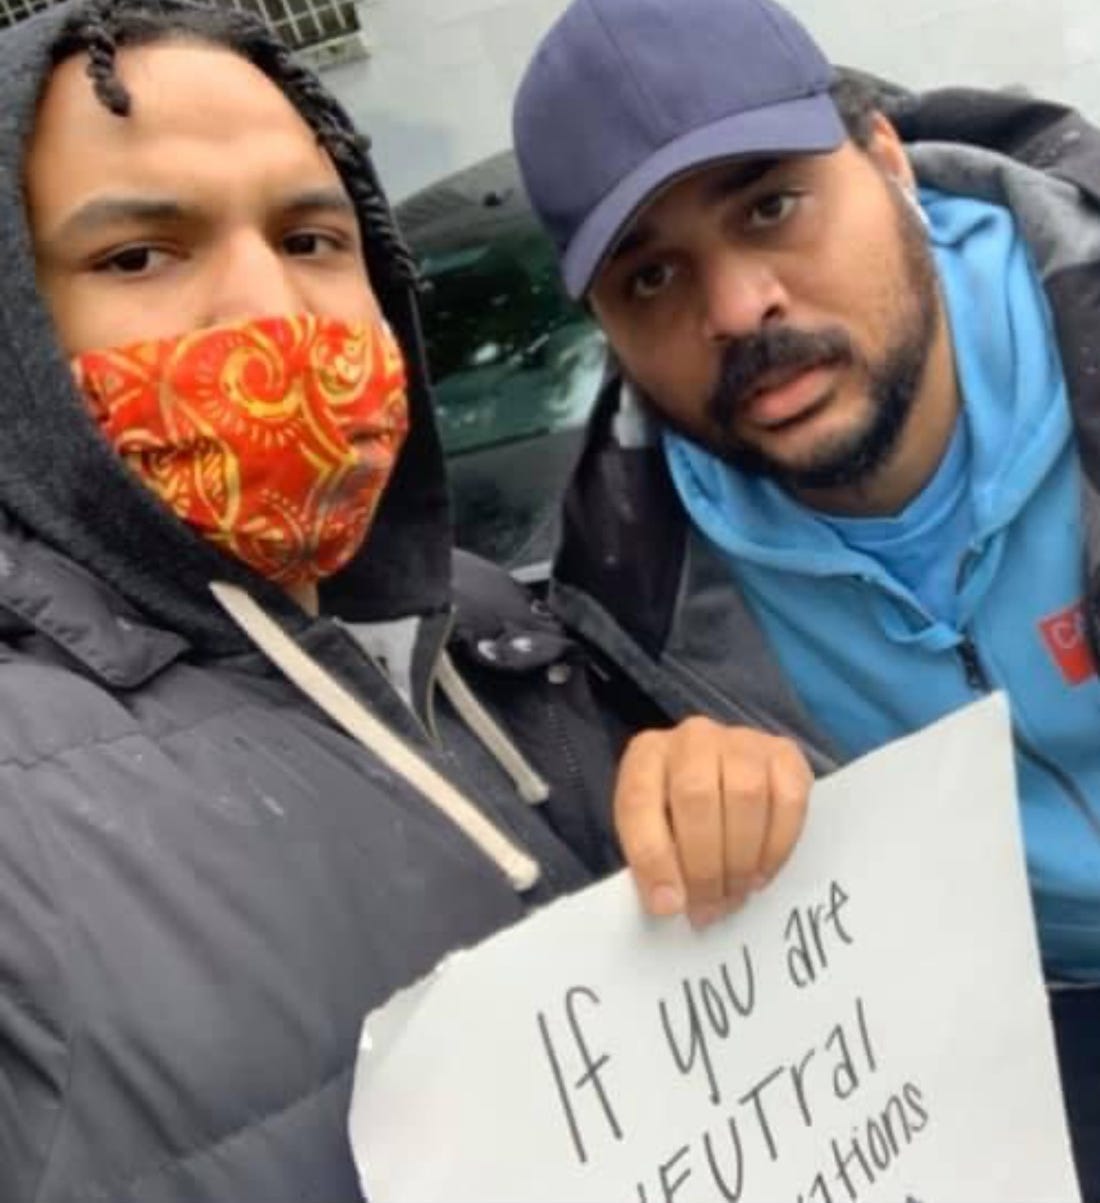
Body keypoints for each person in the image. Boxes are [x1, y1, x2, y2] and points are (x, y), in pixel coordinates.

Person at [0, 0, 784, 1197]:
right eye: (137, 256)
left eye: (312, 240)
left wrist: (726, 787)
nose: (270, 310)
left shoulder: (476, 620)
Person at [514, 0, 1100, 1192]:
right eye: (651, 276)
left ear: (885, 160)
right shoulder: (621, 606)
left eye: (770, 204)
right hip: (1009, 1050)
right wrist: (676, 812)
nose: (736, 311)